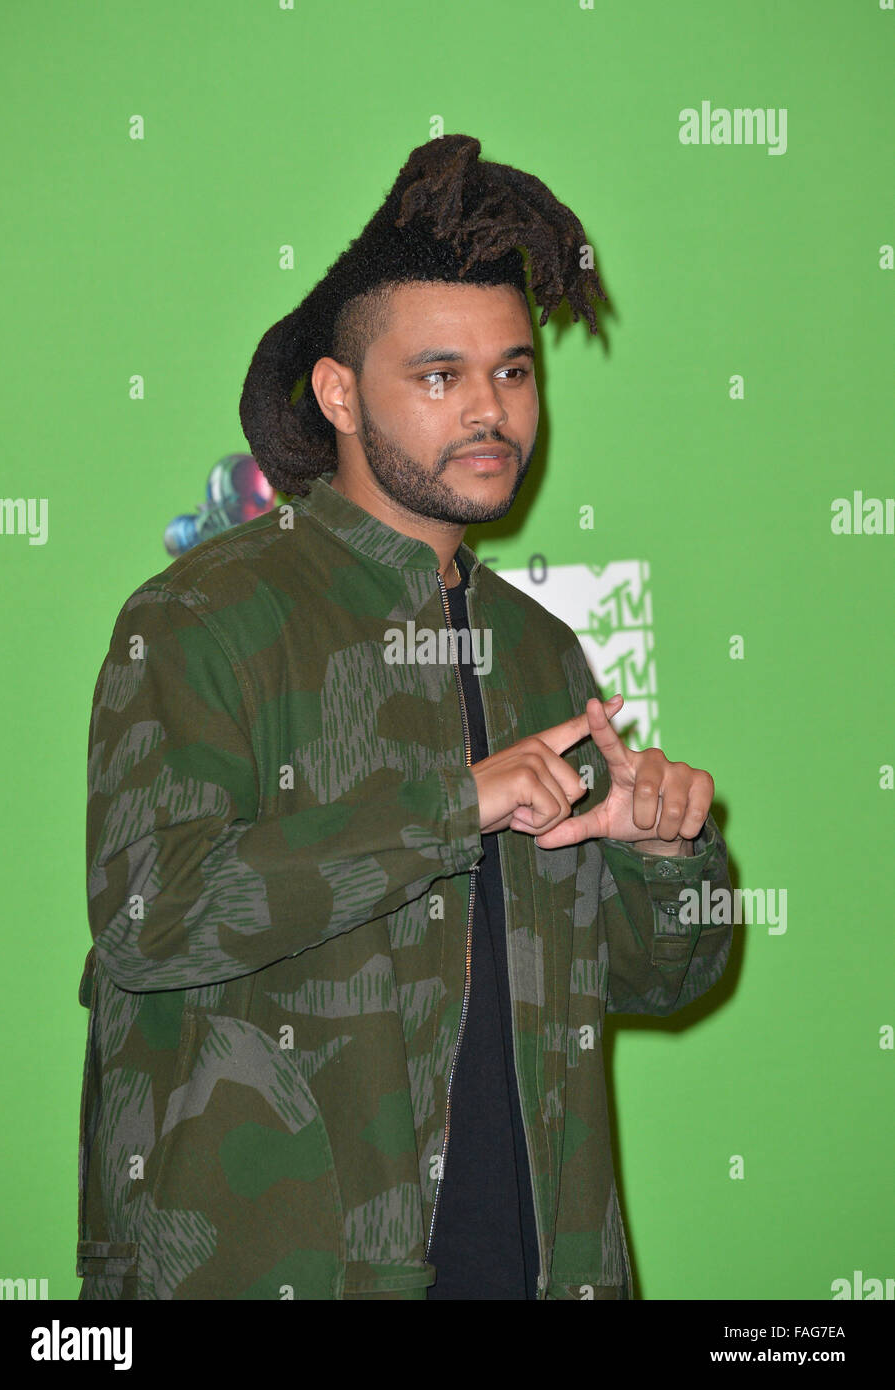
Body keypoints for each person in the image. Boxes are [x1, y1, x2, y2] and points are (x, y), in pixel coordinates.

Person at [77, 134, 733, 1301]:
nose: (489, 410)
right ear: (337, 393)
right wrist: (449, 805)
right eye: (439, 376)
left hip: (536, 1266)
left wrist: (666, 856)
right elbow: (148, 916)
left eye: (513, 372)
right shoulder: (200, 616)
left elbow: (648, 980)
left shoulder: (539, 647)